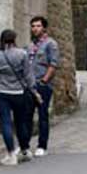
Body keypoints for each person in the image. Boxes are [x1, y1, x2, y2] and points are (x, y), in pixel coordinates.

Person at [0, 29, 38, 165]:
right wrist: (32, 89)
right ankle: (25, 149)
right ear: (14, 39)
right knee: (21, 122)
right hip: (18, 92)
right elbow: (28, 75)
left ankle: (11, 153)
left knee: (6, 122)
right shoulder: (22, 54)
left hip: (1, 92)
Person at [28, 15, 60, 155]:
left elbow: (53, 64)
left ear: (44, 28)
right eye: (33, 26)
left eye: (38, 26)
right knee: (27, 116)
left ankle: (42, 146)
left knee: (42, 115)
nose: (35, 28)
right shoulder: (29, 45)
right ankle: (25, 145)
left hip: (42, 84)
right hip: (29, 85)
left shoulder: (50, 44)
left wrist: (44, 81)